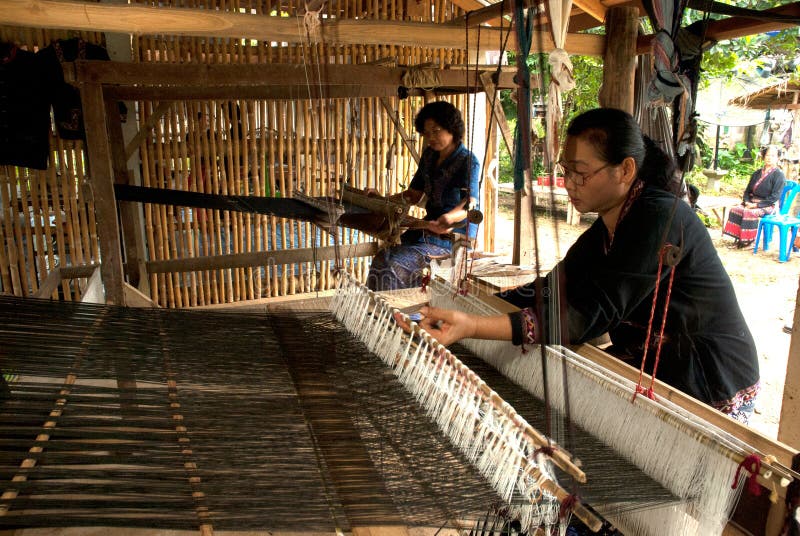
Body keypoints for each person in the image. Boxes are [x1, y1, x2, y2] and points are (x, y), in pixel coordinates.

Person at [400, 108, 760, 423]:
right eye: (565, 171)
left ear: (625, 169)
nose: (568, 183)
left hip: (708, 379)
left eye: (581, 173)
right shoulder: (611, 222)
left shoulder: (661, 218)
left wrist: (474, 325)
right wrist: (461, 310)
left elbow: (589, 313)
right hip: (654, 362)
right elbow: (554, 287)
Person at [367, 101, 480, 291]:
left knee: (394, 263)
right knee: (382, 258)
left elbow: (470, 203)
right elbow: (413, 194)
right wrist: (382, 200)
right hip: (428, 229)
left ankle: (399, 315)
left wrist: (449, 218)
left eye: (435, 131)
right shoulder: (429, 156)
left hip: (452, 238)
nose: (430, 138)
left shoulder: (468, 161)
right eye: (427, 133)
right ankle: (381, 314)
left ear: (451, 128)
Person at [722, 145, 785, 248]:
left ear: (777, 158)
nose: (769, 158)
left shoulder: (779, 175)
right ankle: (738, 239)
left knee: (749, 212)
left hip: (768, 205)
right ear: (764, 157)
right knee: (735, 209)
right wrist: (746, 201)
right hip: (751, 202)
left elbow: (775, 197)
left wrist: (756, 205)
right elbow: (747, 191)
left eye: (773, 156)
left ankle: (748, 242)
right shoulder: (757, 173)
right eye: (767, 155)